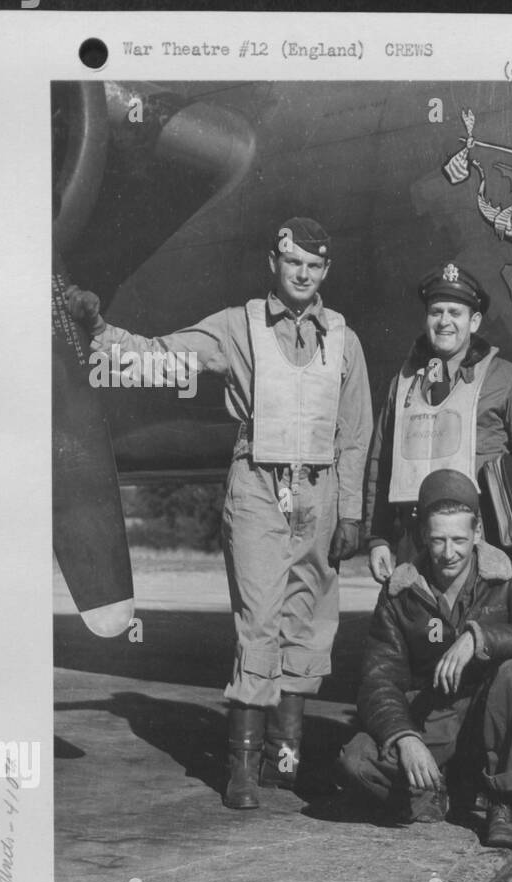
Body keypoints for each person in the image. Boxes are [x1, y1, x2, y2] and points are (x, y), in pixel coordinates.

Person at [65, 217, 373, 810]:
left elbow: (355, 433)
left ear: (325, 271)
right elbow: (161, 358)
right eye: (293, 264)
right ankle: (243, 768)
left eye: (313, 266)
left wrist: (353, 512)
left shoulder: (345, 339)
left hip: (322, 494)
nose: (302, 275)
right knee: (259, 621)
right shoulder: (239, 327)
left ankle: (287, 760)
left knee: (307, 627)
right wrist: (99, 332)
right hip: (258, 486)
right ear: (274, 265)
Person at [340, 469, 512, 848]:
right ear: (422, 536)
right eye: (438, 540)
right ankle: (439, 789)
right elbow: (379, 678)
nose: (448, 553)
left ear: (477, 533)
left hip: (494, 713)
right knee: (356, 761)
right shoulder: (401, 592)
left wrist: (478, 638)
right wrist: (405, 737)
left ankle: (502, 800)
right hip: (435, 717)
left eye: (459, 540)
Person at [363, 262, 512, 593]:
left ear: (474, 321)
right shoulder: (403, 383)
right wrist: (378, 537)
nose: (444, 321)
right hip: (419, 541)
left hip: (486, 537)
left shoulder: (507, 379)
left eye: (455, 312)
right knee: (422, 636)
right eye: (436, 312)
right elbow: (381, 466)